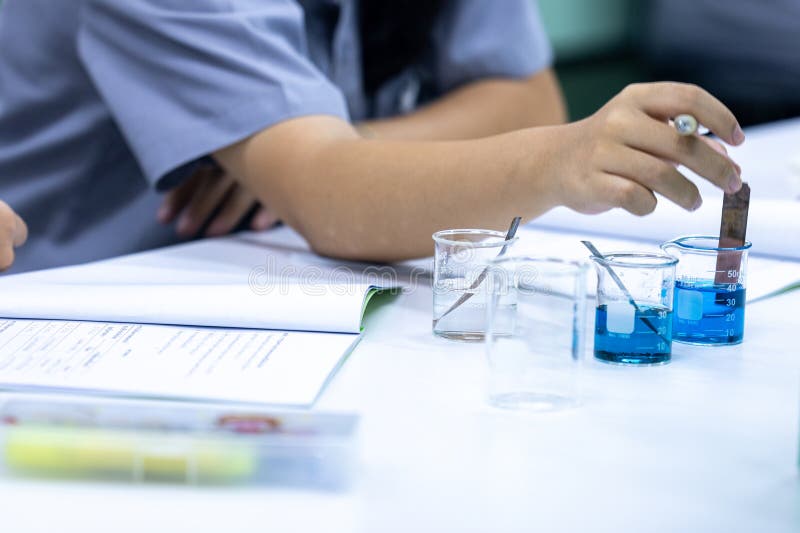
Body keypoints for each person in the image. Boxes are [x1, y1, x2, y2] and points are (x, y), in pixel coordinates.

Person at [0, 0, 744, 273]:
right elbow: (332, 198)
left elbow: (524, 95)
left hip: (260, 278)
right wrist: (563, 157)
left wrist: (282, 136)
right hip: (82, 297)